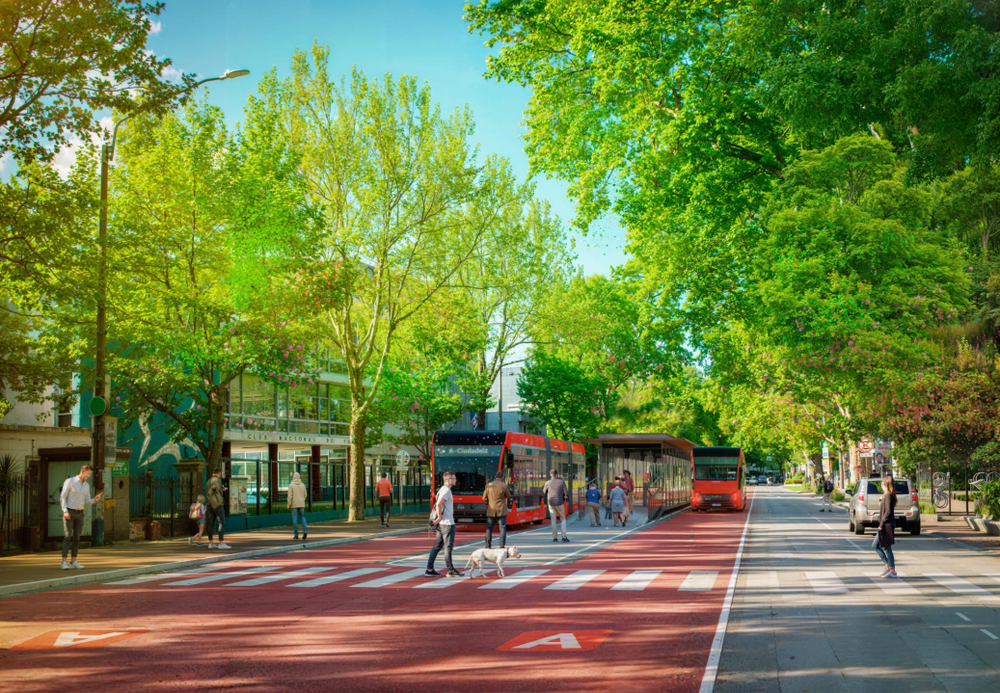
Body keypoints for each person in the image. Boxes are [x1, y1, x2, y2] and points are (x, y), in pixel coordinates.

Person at [60, 464, 103, 569]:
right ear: (83, 471)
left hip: (80, 513)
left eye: (90, 474)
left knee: (77, 538)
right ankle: (64, 562)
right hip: (69, 511)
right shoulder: (70, 481)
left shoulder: (86, 486)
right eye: (88, 474)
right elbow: (63, 497)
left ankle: (73, 561)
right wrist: (65, 511)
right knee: (67, 536)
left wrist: (94, 500)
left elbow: (87, 500)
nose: (89, 476)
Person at [425, 471, 462, 578]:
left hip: (442, 523)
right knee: (448, 547)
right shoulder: (446, 490)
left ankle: (429, 569)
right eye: (453, 478)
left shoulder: (442, 489)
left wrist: (438, 520)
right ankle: (450, 570)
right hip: (447, 523)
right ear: (448, 480)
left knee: (437, 546)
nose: (455, 480)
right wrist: (439, 518)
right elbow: (439, 504)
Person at [873, 475, 898, 578]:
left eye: (883, 483)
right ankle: (889, 569)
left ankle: (890, 569)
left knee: (877, 546)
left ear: (886, 484)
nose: (881, 484)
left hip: (887, 524)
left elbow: (887, 512)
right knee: (886, 547)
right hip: (887, 524)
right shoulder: (887, 495)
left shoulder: (888, 496)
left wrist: (881, 524)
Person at [482, 471, 511, 549]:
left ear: (495, 477)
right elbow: (508, 495)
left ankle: (488, 545)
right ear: (502, 478)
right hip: (501, 510)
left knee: (489, 528)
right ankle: (501, 546)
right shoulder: (504, 485)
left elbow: (484, 498)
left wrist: (488, 506)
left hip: (491, 510)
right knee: (502, 528)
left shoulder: (488, 485)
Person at [205, 468, 231, 550]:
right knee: (221, 522)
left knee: (210, 524)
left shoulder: (208, 481)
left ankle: (211, 543)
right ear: (219, 473)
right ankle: (221, 543)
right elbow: (219, 492)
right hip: (217, 505)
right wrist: (223, 490)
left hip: (210, 504)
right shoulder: (218, 480)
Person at [543, 468, 570, 543]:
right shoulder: (561, 482)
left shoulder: (547, 482)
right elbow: (566, 493)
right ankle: (564, 536)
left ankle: (555, 537)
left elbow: (544, 492)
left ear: (550, 474)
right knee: (563, 518)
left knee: (553, 520)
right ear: (557, 474)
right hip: (559, 502)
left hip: (551, 503)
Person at [287, 471, 308, 540]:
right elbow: (305, 495)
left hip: (294, 504)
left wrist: (288, 504)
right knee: (302, 517)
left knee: (294, 518)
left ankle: (296, 534)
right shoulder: (303, 485)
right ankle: (305, 530)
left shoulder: (291, 485)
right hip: (301, 503)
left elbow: (290, 496)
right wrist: (302, 500)